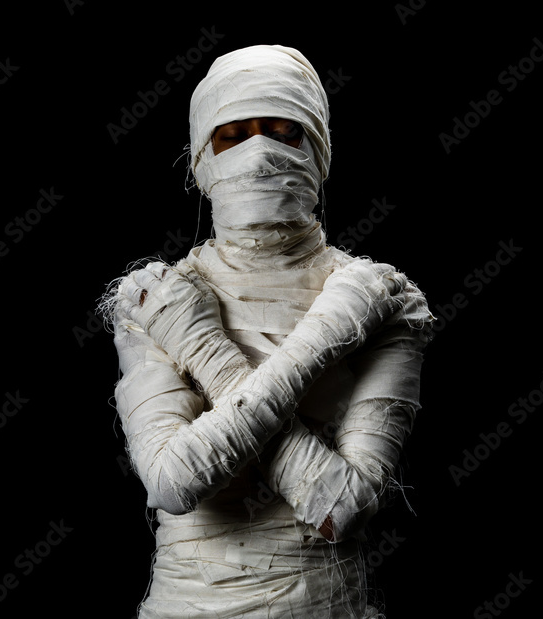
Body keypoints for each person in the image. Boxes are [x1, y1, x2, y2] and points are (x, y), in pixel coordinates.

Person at [106, 44, 434, 617]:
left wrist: (197, 344)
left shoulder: (384, 300)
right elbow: (172, 483)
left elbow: (345, 508)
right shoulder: (153, 299)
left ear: (318, 151)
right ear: (202, 158)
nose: (259, 155)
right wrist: (330, 331)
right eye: (233, 136)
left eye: (284, 133)